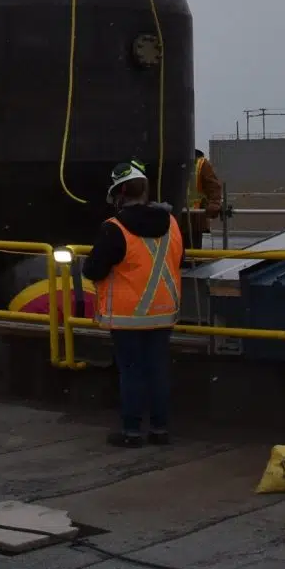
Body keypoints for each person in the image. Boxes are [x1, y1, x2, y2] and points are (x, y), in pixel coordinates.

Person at [83, 159, 182, 446]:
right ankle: (160, 430)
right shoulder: (171, 223)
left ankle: (132, 432)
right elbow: (179, 259)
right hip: (163, 313)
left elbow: (93, 270)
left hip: (127, 316)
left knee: (131, 373)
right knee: (158, 371)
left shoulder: (113, 229)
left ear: (119, 194)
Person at [187, 146, 225, 247]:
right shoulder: (167, 160)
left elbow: (214, 187)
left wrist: (215, 203)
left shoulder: (201, 164)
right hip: (171, 219)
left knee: (191, 253)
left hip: (194, 219)